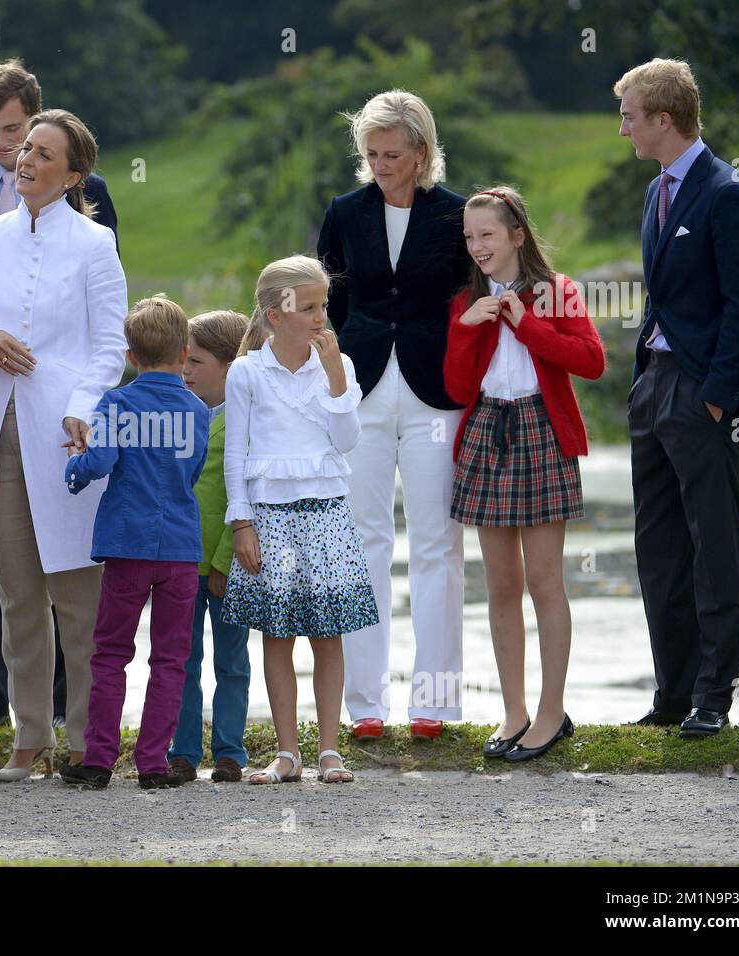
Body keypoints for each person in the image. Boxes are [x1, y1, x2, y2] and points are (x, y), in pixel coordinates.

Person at [0, 109, 127, 781]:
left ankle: (85, 739)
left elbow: (110, 347)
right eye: (24, 149)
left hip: (67, 436)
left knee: (79, 598)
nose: (24, 159)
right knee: (17, 594)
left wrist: (81, 410)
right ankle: (29, 739)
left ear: (73, 174)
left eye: (42, 153)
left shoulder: (95, 244)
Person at [616, 59, 739, 737]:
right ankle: (673, 692)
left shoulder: (727, 193)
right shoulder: (656, 192)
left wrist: (714, 399)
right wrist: (643, 381)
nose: (621, 128)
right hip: (654, 388)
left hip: (701, 392)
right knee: (658, 547)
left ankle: (715, 695)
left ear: (663, 120)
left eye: (628, 116)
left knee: (714, 545)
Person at [317, 90, 472, 741]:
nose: (380, 164)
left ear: (422, 153)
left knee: (439, 544)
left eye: (392, 154)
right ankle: (366, 705)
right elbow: (326, 301)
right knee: (363, 541)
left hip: (440, 391)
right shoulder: (344, 213)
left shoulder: (460, 214)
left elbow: (473, 294)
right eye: (371, 154)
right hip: (363, 389)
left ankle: (432, 704)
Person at [443, 187, 605, 761]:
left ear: (516, 236)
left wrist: (522, 322)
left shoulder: (555, 292)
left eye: (487, 234)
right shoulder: (465, 298)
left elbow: (591, 361)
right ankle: (513, 711)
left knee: (544, 582)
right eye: (469, 236)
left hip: (541, 432)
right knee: (500, 585)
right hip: (487, 432)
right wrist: (469, 325)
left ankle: (551, 711)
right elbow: (459, 388)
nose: (477, 245)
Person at [222, 256, 379, 785]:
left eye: (324, 305)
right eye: (308, 307)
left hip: (326, 511)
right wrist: (241, 522)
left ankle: (329, 750)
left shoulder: (339, 366)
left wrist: (336, 380)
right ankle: (287, 752)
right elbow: (235, 454)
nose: (321, 317)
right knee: (276, 633)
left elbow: (347, 440)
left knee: (328, 633)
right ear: (274, 313)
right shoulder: (246, 373)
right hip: (269, 517)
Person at [59, 296, 210, 790]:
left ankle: (100, 758)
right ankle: (152, 762)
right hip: (181, 548)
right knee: (171, 657)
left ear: (129, 356)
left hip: (128, 545)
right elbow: (192, 470)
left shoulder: (116, 403)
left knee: (110, 653)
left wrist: (74, 470)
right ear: (184, 353)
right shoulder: (198, 409)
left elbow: (100, 463)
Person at [167, 310, 252, 784]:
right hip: (179, 561)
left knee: (231, 660)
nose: (186, 370)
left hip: (226, 565)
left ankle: (230, 750)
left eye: (196, 361)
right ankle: (182, 750)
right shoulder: (178, 413)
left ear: (228, 364)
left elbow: (242, 497)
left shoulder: (243, 421)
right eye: (183, 360)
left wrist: (223, 560)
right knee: (181, 658)